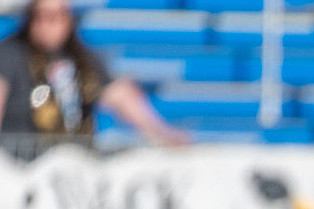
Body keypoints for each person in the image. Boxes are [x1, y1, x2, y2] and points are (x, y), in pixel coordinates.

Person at [0, 0, 187, 148]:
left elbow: (118, 95)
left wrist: (163, 134)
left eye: (58, 15)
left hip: (72, 159)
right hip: (21, 163)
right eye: (41, 16)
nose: (48, 24)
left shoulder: (80, 55)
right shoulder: (10, 53)